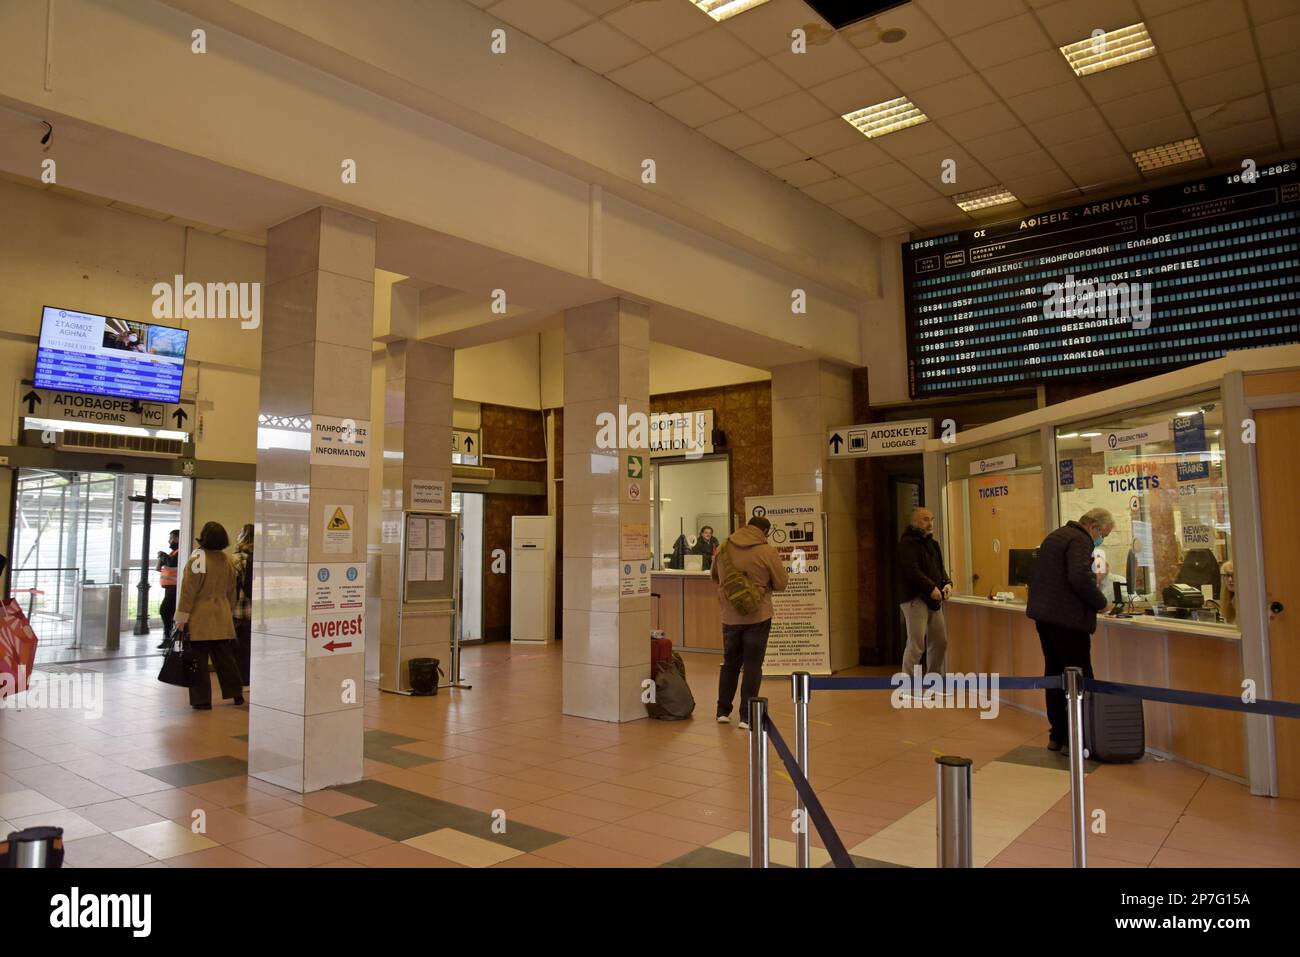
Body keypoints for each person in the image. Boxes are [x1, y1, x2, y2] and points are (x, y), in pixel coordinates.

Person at [1027, 507, 1114, 753]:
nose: (1101, 540)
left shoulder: (1057, 535)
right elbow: (1078, 577)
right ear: (1094, 527)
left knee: (1054, 674)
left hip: (1045, 618)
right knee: (1079, 677)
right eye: (1103, 535)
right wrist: (1102, 603)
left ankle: (1058, 735)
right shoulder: (1080, 540)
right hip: (1068, 621)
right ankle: (1079, 738)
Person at [711, 514, 788, 730]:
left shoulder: (724, 547)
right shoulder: (767, 551)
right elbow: (781, 583)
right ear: (765, 532)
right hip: (758, 616)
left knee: (730, 664)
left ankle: (722, 711)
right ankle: (746, 716)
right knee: (753, 665)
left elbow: (714, 576)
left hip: (730, 616)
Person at [175, 522, 244, 710]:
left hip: (200, 616)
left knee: (198, 661)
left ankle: (202, 700)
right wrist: (227, 610)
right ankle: (236, 693)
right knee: (225, 660)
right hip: (222, 614)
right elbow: (232, 591)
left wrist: (181, 618)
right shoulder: (226, 559)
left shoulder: (198, 558)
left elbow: (189, 591)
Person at [897, 507, 951, 684]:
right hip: (915, 599)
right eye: (925, 519)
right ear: (915, 522)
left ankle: (933, 680)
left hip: (934, 601)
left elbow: (940, 568)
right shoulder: (907, 544)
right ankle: (907, 683)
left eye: (932, 519)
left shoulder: (933, 544)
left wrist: (947, 583)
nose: (930, 523)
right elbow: (912, 571)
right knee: (916, 644)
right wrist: (930, 588)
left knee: (940, 641)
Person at [230, 523, 254, 686]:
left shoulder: (237, 559)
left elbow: (229, 586)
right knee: (250, 646)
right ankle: (251, 679)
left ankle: (242, 680)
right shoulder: (262, 557)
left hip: (239, 609)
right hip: (257, 609)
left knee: (238, 648)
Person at [156, 529, 179, 649]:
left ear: (177, 539)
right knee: (169, 612)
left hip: (175, 589)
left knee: (165, 610)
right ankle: (169, 638)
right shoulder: (173, 553)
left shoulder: (179, 552)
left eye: (171, 538)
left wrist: (162, 555)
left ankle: (170, 638)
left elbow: (172, 563)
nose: (169, 541)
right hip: (170, 588)